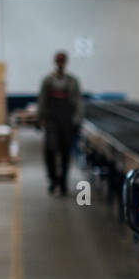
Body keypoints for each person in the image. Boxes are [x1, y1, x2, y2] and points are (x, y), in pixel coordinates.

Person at [38, 51, 82, 196]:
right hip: (51, 121)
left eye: (62, 61)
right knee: (50, 151)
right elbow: (42, 100)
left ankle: (63, 182)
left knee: (65, 153)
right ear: (55, 62)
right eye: (58, 61)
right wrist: (40, 119)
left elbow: (78, 102)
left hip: (66, 122)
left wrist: (77, 120)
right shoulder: (48, 81)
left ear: (66, 62)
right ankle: (53, 180)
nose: (60, 63)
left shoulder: (72, 81)